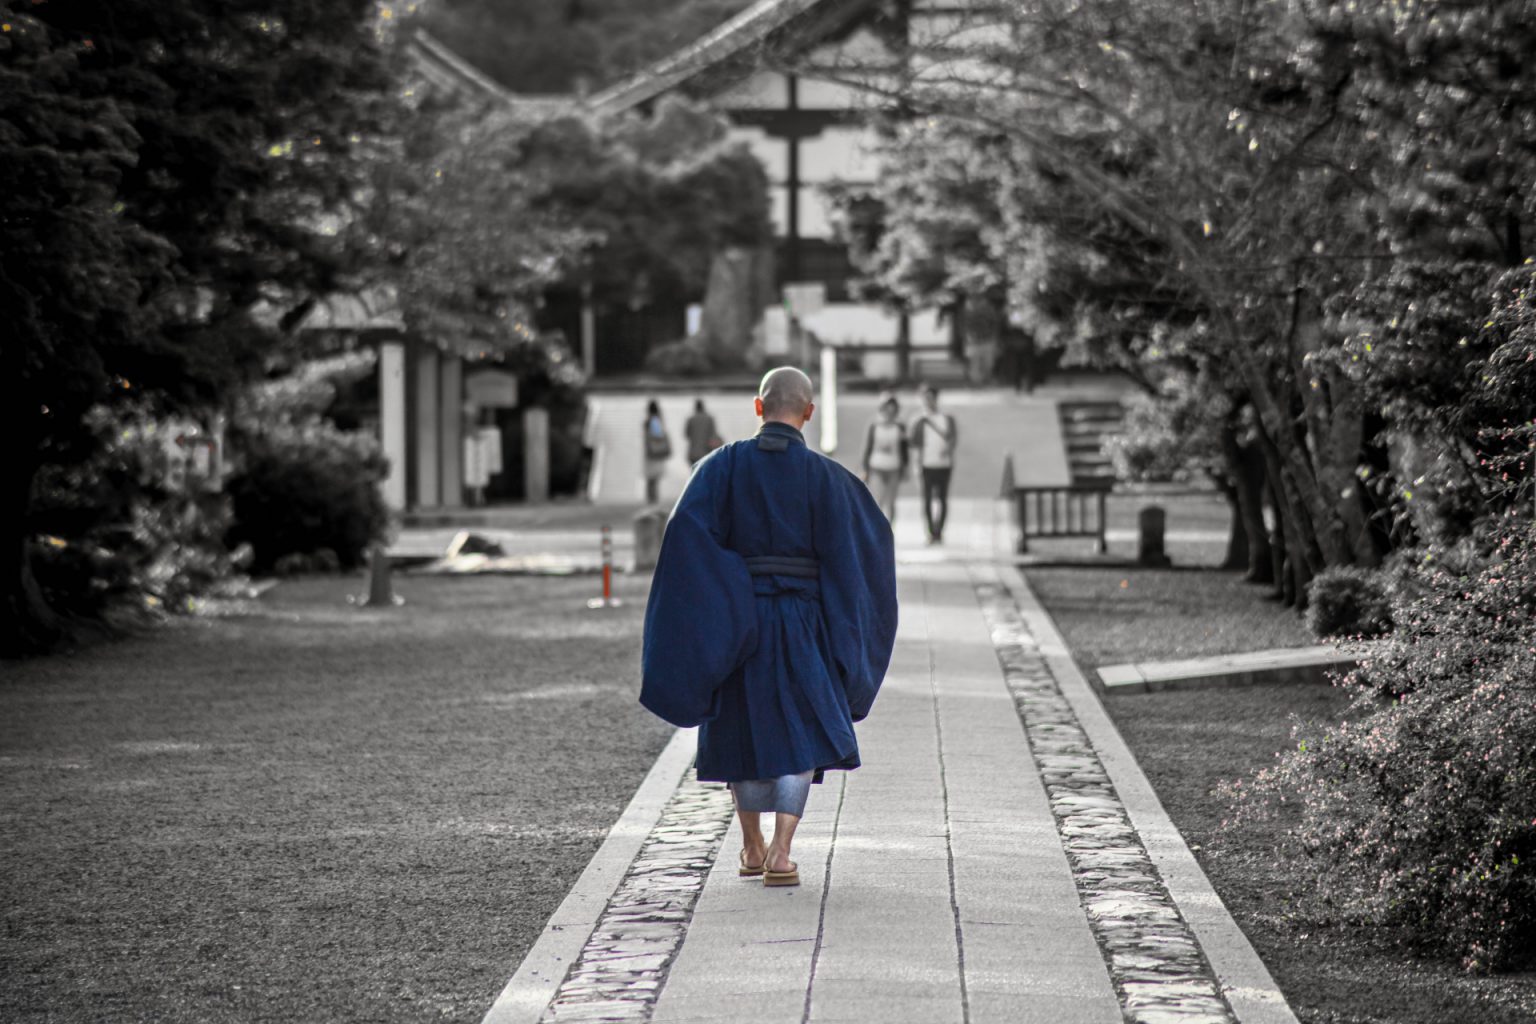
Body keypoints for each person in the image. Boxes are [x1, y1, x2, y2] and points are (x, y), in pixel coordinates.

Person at [640, 367, 898, 888]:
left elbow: (685, 539)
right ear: (809, 412)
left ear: (758, 408)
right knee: (803, 730)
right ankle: (782, 852)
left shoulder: (720, 467)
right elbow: (863, 556)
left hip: (737, 621)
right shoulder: (830, 479)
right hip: (804, 623)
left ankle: (750, 843)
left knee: (739, 724)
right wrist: (848, 636)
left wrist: (720, 594)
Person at [909, 385, 958, 543]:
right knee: (927, 499)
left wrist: (948, 449)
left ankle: (940, 530)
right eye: (925, 398)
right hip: (926, 464)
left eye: (931, 397)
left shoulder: (947, 419)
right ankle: (931, 531)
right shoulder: (919, 420)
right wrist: (915, 465)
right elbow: (914, 444)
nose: (928, 401)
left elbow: (953, 438)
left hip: (944, 464)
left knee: (942, 498)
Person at [860, 392, 908, 523]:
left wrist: (905, 467)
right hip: (877, 466)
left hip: (894, 467)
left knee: (891, 502)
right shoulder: (874, 425)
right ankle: (877, 530)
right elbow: (868, 447)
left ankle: (890, 529)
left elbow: (904, 448)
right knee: (877, 500)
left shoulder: (900, 426)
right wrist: (864, 468)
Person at [642, 399, 671, 505]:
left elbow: (647, 437)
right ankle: (653, 499)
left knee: (650, 477)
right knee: (654, 477)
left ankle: (650, 499)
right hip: (655, 451)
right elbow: (658, 435)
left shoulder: (648, 420)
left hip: (649, 450)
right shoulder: (655, 420)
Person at [684, 398, 722, 467]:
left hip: (693, 453)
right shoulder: (710, 418)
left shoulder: (691, 419)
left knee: (694, 473)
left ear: (695, 407)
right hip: (706, 452)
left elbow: (686, 434)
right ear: (704, 407)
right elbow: (714, 435)